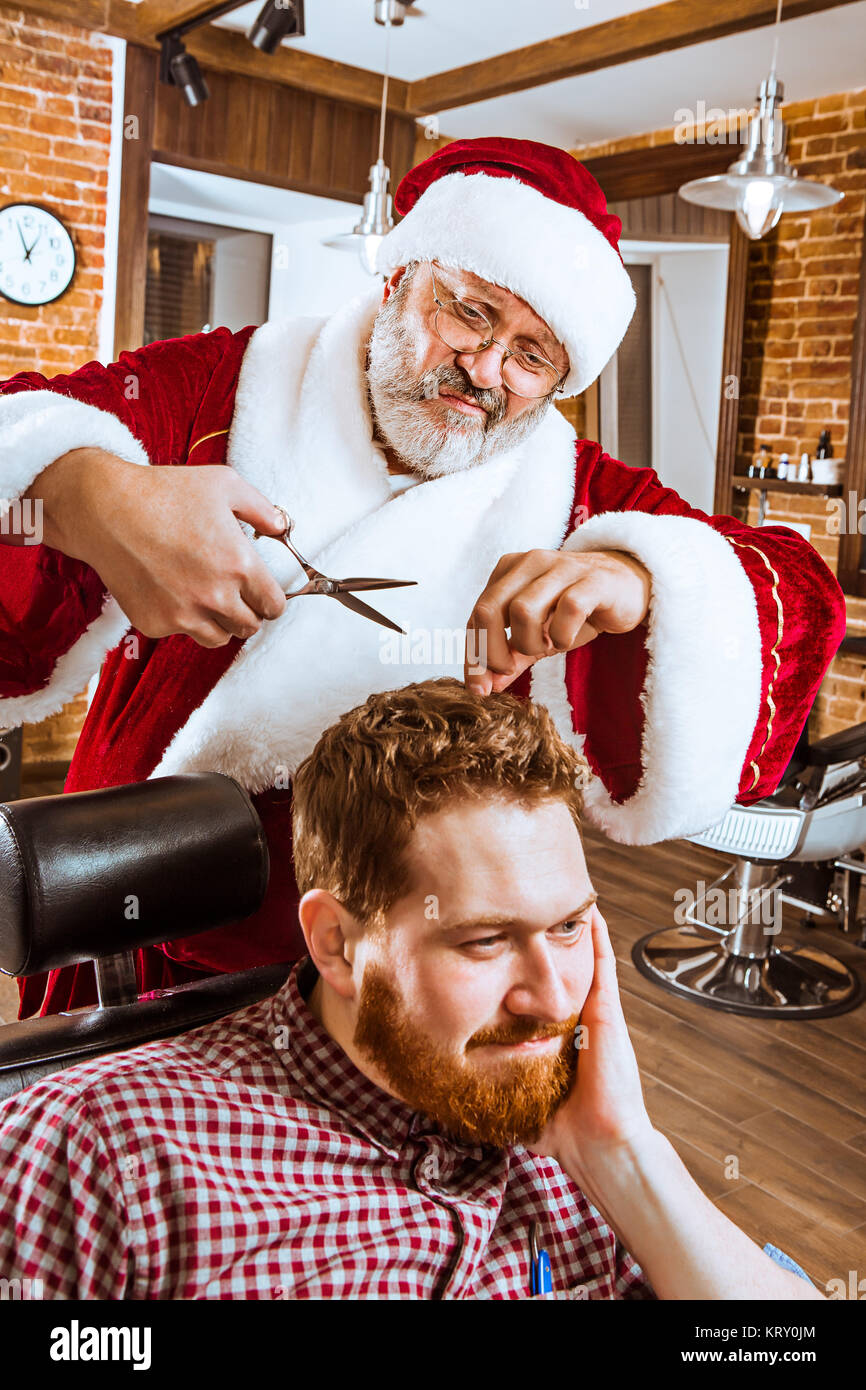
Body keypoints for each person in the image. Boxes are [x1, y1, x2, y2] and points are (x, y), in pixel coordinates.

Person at [0, 137, 846, 1018]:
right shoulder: (221, 388)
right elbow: (18, 430)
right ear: (401, 275)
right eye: (471, 312)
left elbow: (796, 595)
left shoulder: (577, 492)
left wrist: (637, 577)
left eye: (532, 357)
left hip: (436, 976)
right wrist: (85, 491)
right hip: (146, 933)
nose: (485, 372)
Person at [0, 680, 822, 1300]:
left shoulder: (574, 1131)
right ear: (336, 942)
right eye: (486, 941)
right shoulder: (103, 1150)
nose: (546, 998)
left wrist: (628, 1157)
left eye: (569, 928)